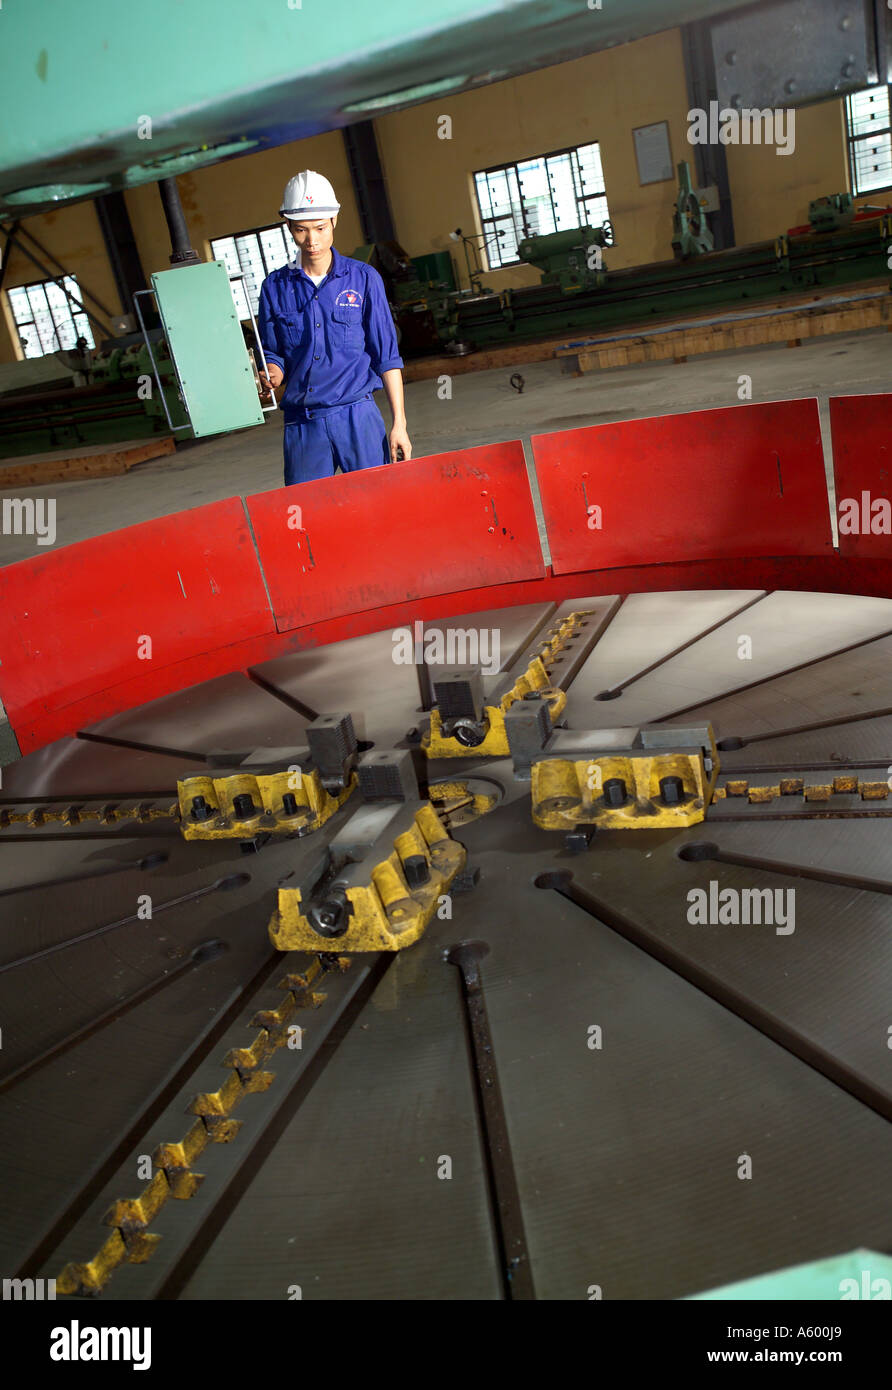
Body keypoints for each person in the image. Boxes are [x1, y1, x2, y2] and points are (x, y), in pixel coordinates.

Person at [256, 170, 412, 486]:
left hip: (358, 417)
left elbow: (387, 357)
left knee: (378, 505)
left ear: (334, 221)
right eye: (301, 230)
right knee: (308, 519)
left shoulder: (364, 279)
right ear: (288, 226)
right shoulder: (274, 287)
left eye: (320, 228)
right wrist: (271, 373)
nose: (312, 240)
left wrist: (399, 424)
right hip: (303, 425)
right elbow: (274, 353)